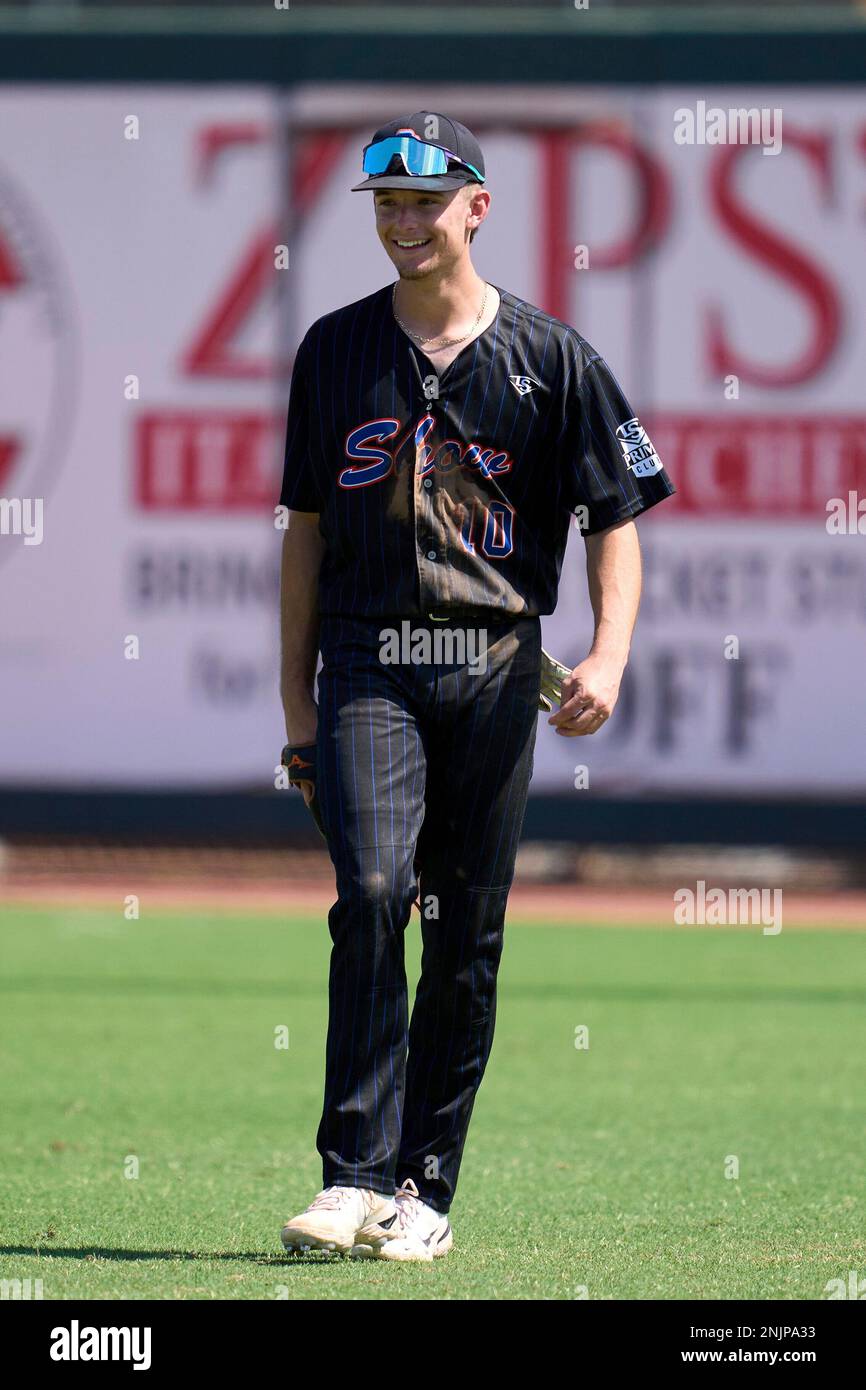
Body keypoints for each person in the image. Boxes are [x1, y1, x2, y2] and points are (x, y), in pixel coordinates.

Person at [277, 113, 675, 1261]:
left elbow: (618, 516)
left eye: (425, 201)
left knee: (464, 933)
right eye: (385, 204)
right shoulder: (334, 350)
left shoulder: (553, 358)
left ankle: (423, 1187)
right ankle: (348, 1175)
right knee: (369, 887)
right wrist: (295, 704)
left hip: (493, 667)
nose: (403, 221)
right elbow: (301, 533)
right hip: (365, 659)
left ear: (476, 208)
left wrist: (605, 653)